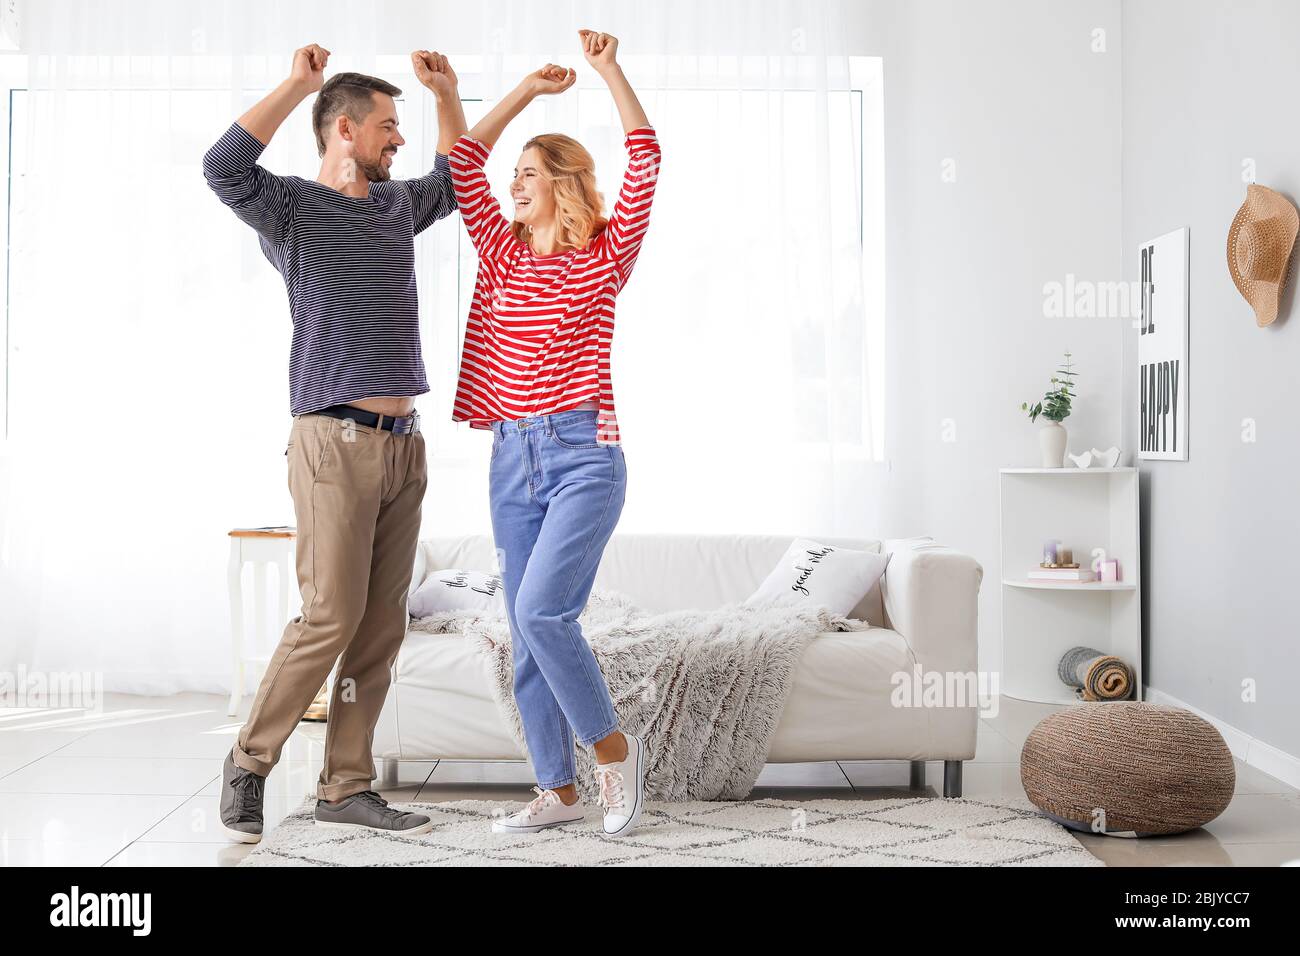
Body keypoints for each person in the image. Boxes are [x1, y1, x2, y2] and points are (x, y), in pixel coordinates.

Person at [201, 43, 466, 842]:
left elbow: (455, 179)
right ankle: (250, 762)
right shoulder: (289, 208)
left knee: (379, 624)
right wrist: (296, 83)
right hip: (333, 439)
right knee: (330, 615)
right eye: (388, 126)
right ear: (344, 130)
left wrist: (448, 93)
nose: (398, 140)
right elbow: (221, 165)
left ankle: (345, 784)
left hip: (403, 445)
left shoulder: (393, 208)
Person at [446, 29, 661, 837]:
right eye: (516, 174)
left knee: (543, 612)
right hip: (510, 457)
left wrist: (610, 70)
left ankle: (611, 753)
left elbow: (645, 160)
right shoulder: (500, 255)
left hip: (584, 456)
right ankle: (557, 790)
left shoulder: (605, 256)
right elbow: (465, 159)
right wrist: (526, 93)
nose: (513, 182)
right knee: (525, 631)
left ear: (564, 182)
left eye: (530, 173)